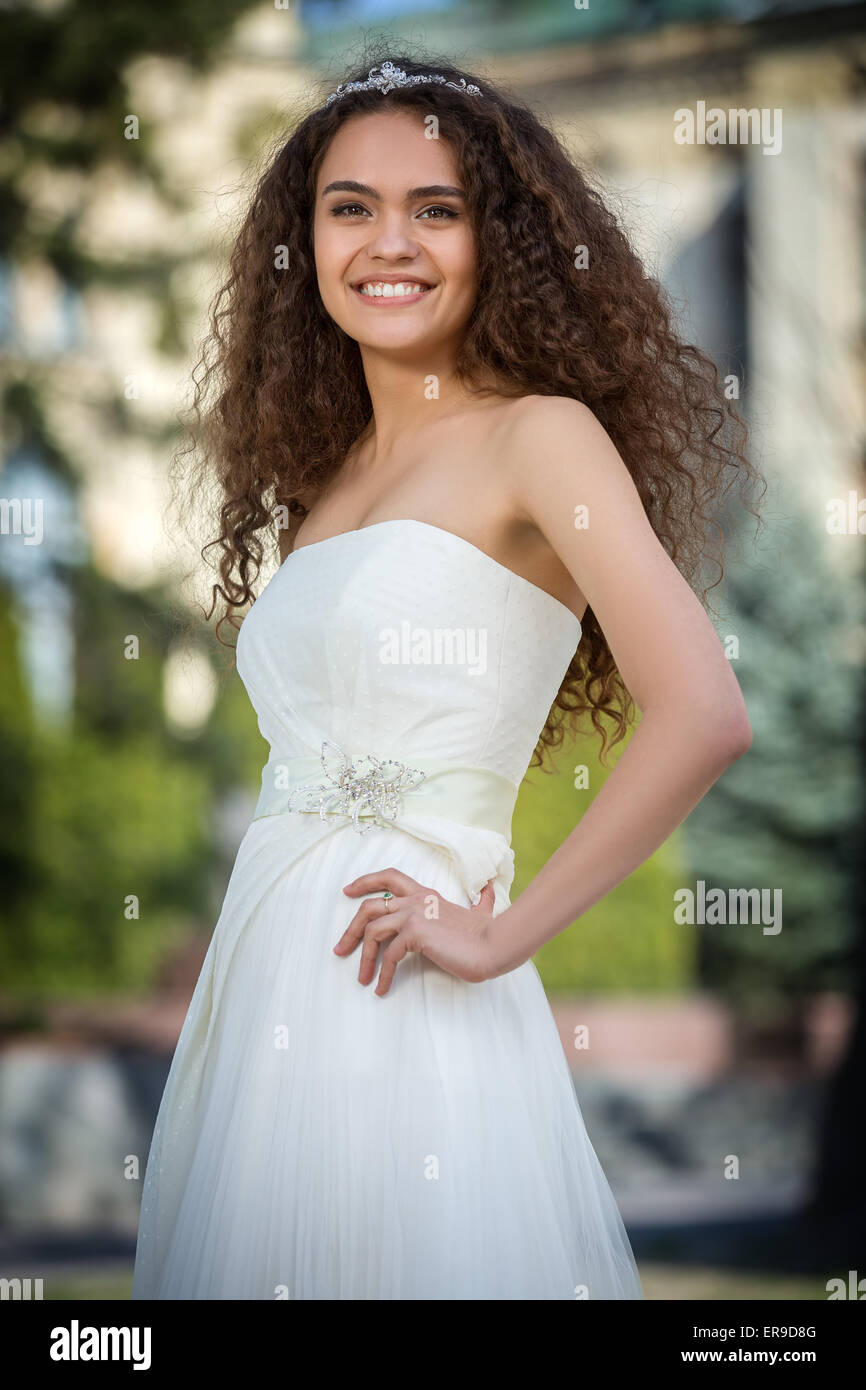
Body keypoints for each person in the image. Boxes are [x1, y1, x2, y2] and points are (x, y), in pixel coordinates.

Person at [132, 50, 757, 1300]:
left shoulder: (540, 436)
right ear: (303, 241)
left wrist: (499, 934)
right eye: (349, 206)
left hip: (408, 979)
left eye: (436, 207)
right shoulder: (328, 479)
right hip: (265, 995)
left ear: (496, 238)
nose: (387, 241)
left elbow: (703, 711)